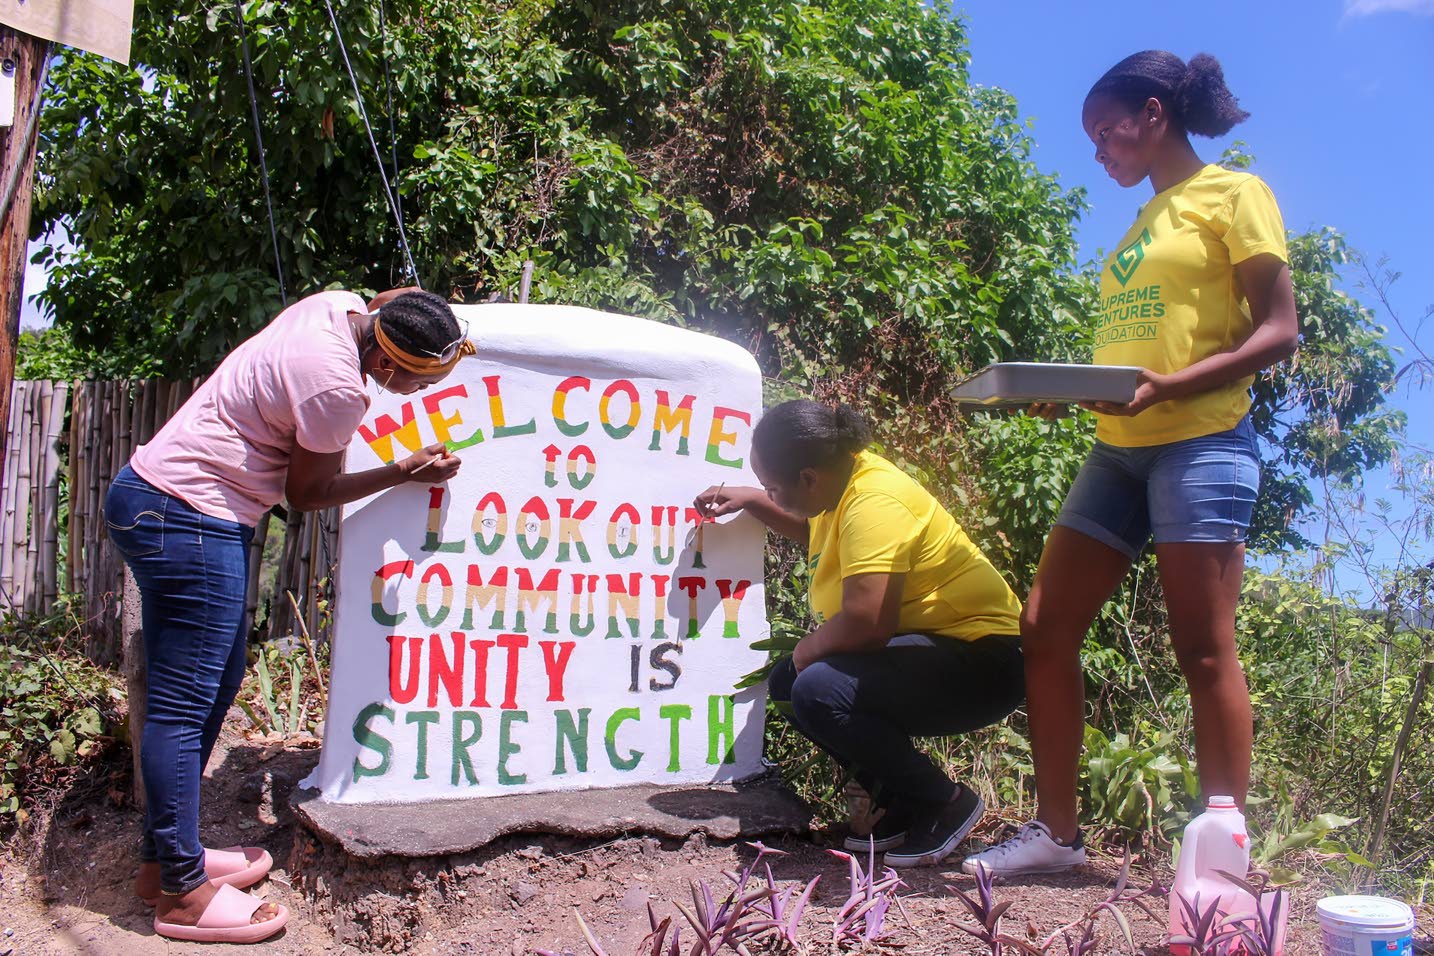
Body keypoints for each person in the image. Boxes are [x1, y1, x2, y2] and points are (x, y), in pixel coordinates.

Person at [962, 51, 1298, 877]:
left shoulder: (1234, 193)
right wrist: (1070, 392)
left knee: (1203, 648)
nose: (1099, 149)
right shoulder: (1140, 224)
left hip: (1204, 443)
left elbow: (1280, 330)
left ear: (1154, 115)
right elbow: (1137, 361)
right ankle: (1057, 837)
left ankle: (1223, 860)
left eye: (1105, 131)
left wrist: (1167, 388)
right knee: (1044, 630)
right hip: (1119, 451)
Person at [105, 287, 473, 942]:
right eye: (418, 383)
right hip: (189, 512)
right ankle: (183, 896)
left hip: (168, 501)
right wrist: (402, 471)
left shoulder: (337, 304)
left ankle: (165, 861)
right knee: (183, 707)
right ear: (387, 366)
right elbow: (308, 494)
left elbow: (391, 292)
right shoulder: (340, 389)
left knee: (214, 684)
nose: (413, 394)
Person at [696, 400, 1025, 867]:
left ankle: (947, 802)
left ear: (809, 477)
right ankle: (906, 801)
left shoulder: (874, 503)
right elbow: (820, 535)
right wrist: (754, 500)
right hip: (941, 650)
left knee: (815, 688)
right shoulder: (841, 481)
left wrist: (807, 650)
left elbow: (869, 624)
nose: (771, 493)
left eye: (773, 486)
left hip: (986, 661)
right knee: (792, 684)